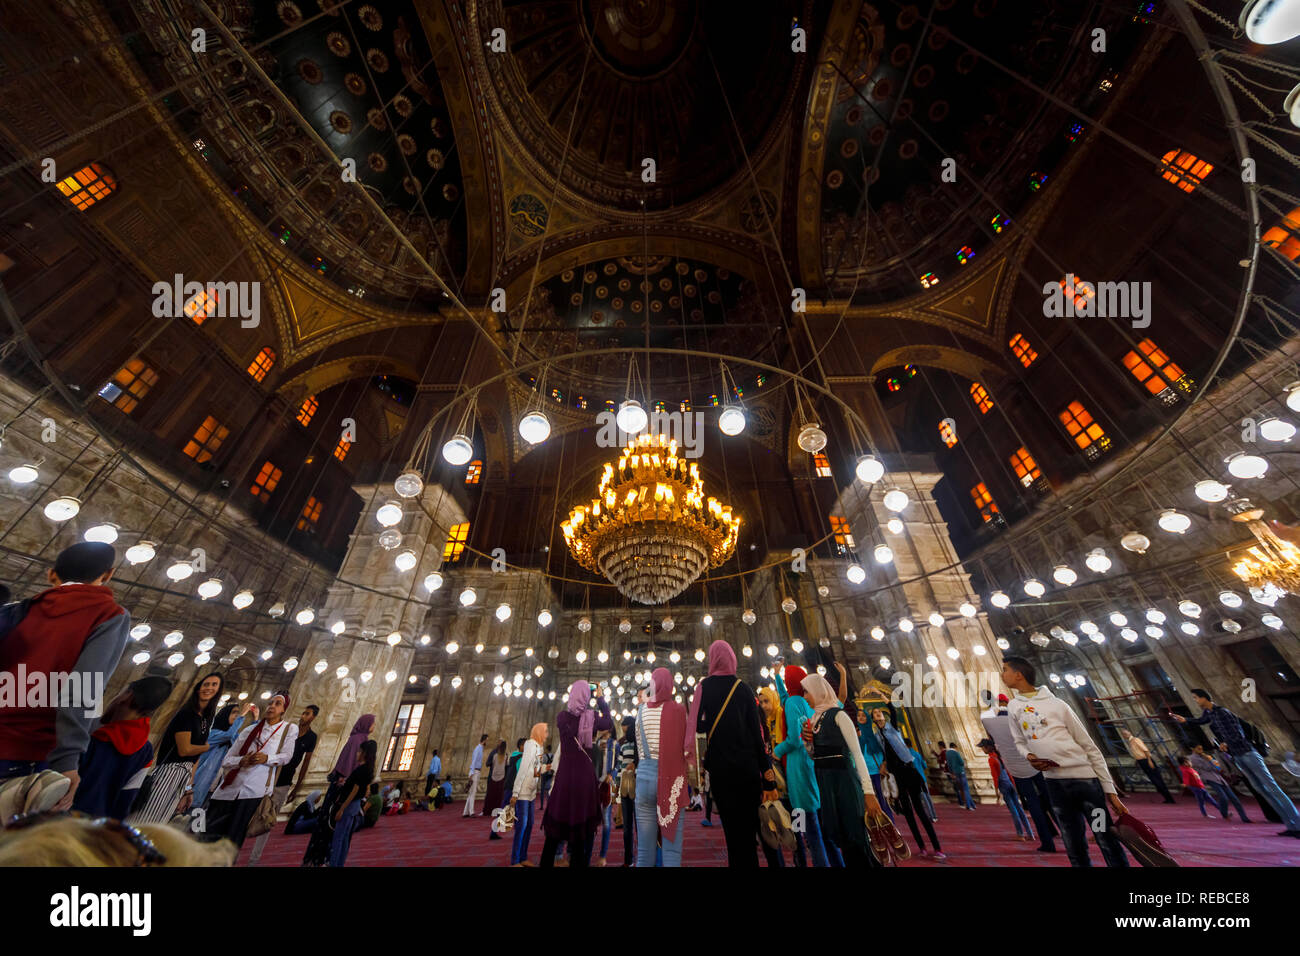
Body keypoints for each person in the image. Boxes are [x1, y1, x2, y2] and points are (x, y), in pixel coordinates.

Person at [0, 542, 132, 810]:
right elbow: (82, 689)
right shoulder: (110, 615)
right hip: (31, 753)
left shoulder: (18, 609)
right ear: (108, 574)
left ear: (51, 574)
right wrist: (67, 761)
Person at [1003, 656, 1129, 867]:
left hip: (1086, 784)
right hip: (1055, 785)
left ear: (1019, 674)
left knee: (1103, 833)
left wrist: (1110, 791)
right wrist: (1029, 757)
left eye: (1005, 669)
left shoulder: (1057, 704)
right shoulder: (1014, 706)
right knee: (1072, 839)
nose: (1002, 674)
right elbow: (1019, 741)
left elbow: (1090, 747)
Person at [687, 640, 778, 867]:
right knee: (750, 832)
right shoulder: (743, 687)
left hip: (721, 771)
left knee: (733, 836)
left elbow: (696, 725)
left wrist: (714, 727)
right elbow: (757, 736)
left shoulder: (704, 687)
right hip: (747, 770)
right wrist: (768, 775)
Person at [1173, 689, 1300, 837]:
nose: (1195, 701)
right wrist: (1185, 720)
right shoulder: (1210, 713)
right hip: (1238, 756)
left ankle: (1297, 823)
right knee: (1262, 790)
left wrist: (1225, 743)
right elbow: (1202, 721)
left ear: (1204, 698)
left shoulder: (1222, 712)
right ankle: (1290, 825)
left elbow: (1237, 733)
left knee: (1272, 788)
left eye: (1196, 698)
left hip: (1248, 753)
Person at [800, 673, 885, 866]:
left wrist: (869, 792)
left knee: (856, 838)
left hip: (844, 782)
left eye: (807, 691)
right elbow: (817, 756)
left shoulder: (839, 715)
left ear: (818, 691)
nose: (805, 697)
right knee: (842, 838)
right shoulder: (814, 720)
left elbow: (857, 754)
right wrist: (808, 744)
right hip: (826, 784)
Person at [72, 675, 172, 818]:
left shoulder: (91, 731)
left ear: (127, 695)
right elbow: (127, 797)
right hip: (96, 825)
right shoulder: (146, 751)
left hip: (62, 817)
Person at [128, 671, 222, 824]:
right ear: (198, 688)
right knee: (146, 819)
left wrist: (188, 789)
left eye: (214, 685)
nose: (209, 688)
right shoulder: (187, 714)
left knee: (161, 822)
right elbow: (184, 750)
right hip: (169, 770)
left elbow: (193, 759)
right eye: (206, 684)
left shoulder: (205, 720)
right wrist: (205, 748)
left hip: (184, 774)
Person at [207, 692, 297, 849]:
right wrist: (241, 761)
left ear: (284, 709)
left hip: (253, 792)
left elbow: (287, 756)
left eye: (277, 704)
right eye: (270, 703)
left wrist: (267, 758)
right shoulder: (250, 730)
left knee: (232, 841)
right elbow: (227, 760)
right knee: (207, 835)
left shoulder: (288, 729)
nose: (272, 707)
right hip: (228, 790)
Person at [540, 681, 612, 866]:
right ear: (587, 696)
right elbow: (609, 722)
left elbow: (572, 718)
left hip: (565, 778)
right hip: (584, 780)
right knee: (580, 836)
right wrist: (601, 698)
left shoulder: (562, 717)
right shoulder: (592, 717)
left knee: (554, 834)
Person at [982, 693, 1059, 853]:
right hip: (1035, 763)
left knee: (1033, 804)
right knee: (1051, 800)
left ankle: (1047, 842)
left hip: (1016, 769)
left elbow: (988, 714)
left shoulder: (988, 721)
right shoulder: (1019, 718)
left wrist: (991, 704)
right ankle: (1066, 835)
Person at [635, 667, 690, 866]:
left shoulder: (641, 710)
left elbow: (640, 746)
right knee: (672, 850)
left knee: (644, 851)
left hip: (644, 778)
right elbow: (685, 747)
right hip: (670, 779)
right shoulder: (678, 710)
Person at [873, 707, 944, 858]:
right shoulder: (877, 736)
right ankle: (922, 846)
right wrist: (884, 764)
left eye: (880, 712)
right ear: (873, 718)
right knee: (908, 814)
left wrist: (881, 696)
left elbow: (892, 710)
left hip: (909, 771)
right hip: (896, 775)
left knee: (920, 810)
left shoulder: (892, 729)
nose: (878, 715)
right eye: (875, 714)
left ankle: (937, 847)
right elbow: (883, 752)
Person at [773, 685, 829, 866]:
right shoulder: (805, 705)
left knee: (805, 824)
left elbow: (794, 739)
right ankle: (805, 857)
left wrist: (776, 752)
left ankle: (806, 860)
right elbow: (784, 696)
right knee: (812, 825)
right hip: (804, 773)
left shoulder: (793, 703)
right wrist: (777, 676)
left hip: (796, 776)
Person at [303, 738, 377, 867]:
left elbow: (355, 790)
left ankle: (334, 864)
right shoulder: (369, 769)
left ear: (365, 753)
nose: (357, 754)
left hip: (349, 805)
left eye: (359, 751)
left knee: (338, 838)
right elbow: (362, 789)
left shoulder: (361, 769)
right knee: (344, 839)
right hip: (355, 805)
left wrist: (342, 808)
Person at [191, 703, 253, 808]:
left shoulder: (233, 737)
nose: (236, 716)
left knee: (199, 818)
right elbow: (228, 735)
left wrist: (256, 721)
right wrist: (242, 715)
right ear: (225, 715)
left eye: (238, 713)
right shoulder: (214, 733)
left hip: (215, 787)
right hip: (200, 783)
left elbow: (245, 743)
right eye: (234, 713)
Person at [978, 738, 1033, 841]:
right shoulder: (999, 757)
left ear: (987, 748)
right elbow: (1008, 772)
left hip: (1004, 785)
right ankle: (1030, 833)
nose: (982, 750)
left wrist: (997, 792)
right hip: (1010, 784)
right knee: (1020, 810)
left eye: (983, 748)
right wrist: (1014, 785)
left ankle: (1020, 834)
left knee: (1014, 811)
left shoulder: (991, 759)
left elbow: (995, 777)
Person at [509, 723, 547, 866]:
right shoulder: (530, 744)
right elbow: (524, 767)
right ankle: (514, 860)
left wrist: (548, 767)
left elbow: (537, 770)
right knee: (522, 825)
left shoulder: (539, 747)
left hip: (531, 792)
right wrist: (515, 792)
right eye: (545, 731)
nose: (547, 734)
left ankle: (523, 857)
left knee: (530, 824)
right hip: (523, 791)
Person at [1190, 744, 1251, 822]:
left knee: (1234, 798)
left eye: (1201, 749)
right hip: (1210, 778)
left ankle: (1244, 817)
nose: (1201, 750)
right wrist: (1209, 761)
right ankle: (1224, 813)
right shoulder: (1193, 758)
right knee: (1223, 797)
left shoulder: (1205, 756)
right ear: (1193, 749)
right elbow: (1207, 768)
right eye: (1198, 749)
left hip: (1219, 778)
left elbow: (1216, 767)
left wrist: (1217, 766)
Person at [328, 714, 375, 807]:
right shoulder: (358, 739)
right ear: (366, 724)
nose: (374, 726)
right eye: (373, 723)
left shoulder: (361, 738)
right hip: (344, 779)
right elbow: (350, 760)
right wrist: (349, 778)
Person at [1120, 728, 1176, 803]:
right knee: (1154, 780)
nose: (1125, 735)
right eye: (1123, 734)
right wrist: (1137, 761)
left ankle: (1169, 799)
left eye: (1126, 733)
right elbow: (1137, 752)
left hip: (1146, 760)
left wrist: (1149, 761)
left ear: (1129, 733)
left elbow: (1146, 750)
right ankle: (1167, 798)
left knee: (1157, 779)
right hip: (1142, 761)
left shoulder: (1136, 740)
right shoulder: (1131, 742)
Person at [615, 716, 638, 866]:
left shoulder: (623, 746)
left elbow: (619, 768)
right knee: (640, 826)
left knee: (628, 827)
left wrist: (616, 787)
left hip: (625, 789)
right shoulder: (640, 746)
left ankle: (628, 860)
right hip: (638, 788)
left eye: (625, 726)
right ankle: (643, 859)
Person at [593, 725, 617, 865]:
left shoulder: (614, 744)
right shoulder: (595, 743)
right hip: (594, 784)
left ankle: (603, 855)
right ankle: (587, 850)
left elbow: (618, 763)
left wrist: (612, 774)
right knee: (591, 819)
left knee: (606, 823)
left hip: (606, 784)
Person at [909, 745, 938, 822]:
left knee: (924, 798)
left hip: (916, 779)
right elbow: (924, 765)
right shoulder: (917, 754)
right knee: (928, 797)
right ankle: (934, 815)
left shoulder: (908, 755)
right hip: (923, 778)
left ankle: (931, 816)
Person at [483, 740, 508, 820]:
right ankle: (498, 811)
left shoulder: (494, 755)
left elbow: (490, 764)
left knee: (491, 795)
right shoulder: (506, 756)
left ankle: (488, 811)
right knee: (499, 796)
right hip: (502, 777)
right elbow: (506, 767)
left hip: (493, 777)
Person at [946, 742, 975, 809]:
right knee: (965, 789)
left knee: (960, 789)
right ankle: (969, 805)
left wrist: (951, 773)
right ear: (955, 747)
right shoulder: (956, 753)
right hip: (960, 771)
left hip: (954, 773)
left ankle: (971, 804)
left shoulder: (947, 753)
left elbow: (949, 764)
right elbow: (961, 762)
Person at [464, 733, 487, 817]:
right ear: (484, 740)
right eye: (486, 740)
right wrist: (471, 772)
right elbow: (473, 761)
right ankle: (471, 812)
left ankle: (465, 812)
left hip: (476, 771)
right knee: (473, 792)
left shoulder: (480, 748)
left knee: (471, 792)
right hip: (475, 772)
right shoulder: (478, 749)